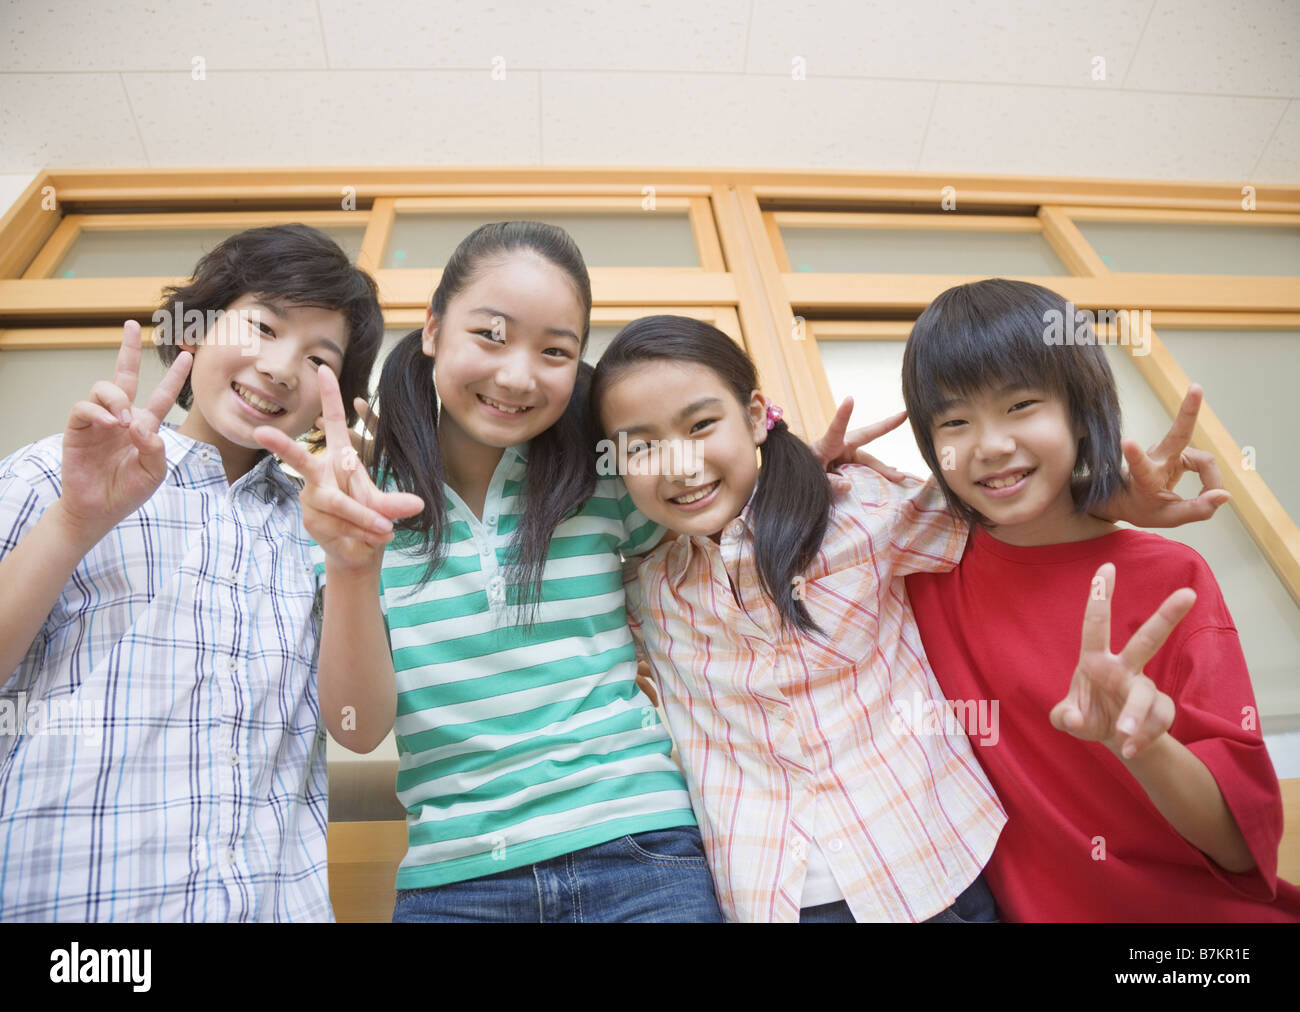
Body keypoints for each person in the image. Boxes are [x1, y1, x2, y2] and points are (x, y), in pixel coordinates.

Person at [588, 313, 1230, 923]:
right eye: (641, 447)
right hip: (767, 896)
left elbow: (1004, 503)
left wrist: (1113, 494)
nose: (679, 463)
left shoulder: (860, 512)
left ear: (756, 416)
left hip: (934, 874)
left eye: (700, 426)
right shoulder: (645, 591)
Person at [256, 222, 725, 922]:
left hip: (641, 846)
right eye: (492, 335)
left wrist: (792, 471)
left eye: (555, 351)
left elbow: (721, 538)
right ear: (434, 329)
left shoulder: (606, 478)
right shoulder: (349, 499)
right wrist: (352, 568)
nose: (517, 375)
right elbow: (355, 730)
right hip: (455, 880)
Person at [0, 224, 403, 921]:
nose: (281, 367)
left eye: (318, 358)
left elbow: (358, 730)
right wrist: (74, 521)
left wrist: (352, 568)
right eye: (263, 325)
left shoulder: (319, 529)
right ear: (197, 328)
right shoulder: (57, 474)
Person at [901, 277, 1300, 921]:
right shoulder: (919, 572)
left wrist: (1139, 742)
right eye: (955, 420)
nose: (991, 444)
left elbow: (1237, 847)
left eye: (1021, 404)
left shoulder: (1173, 577)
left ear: (1080, 413)